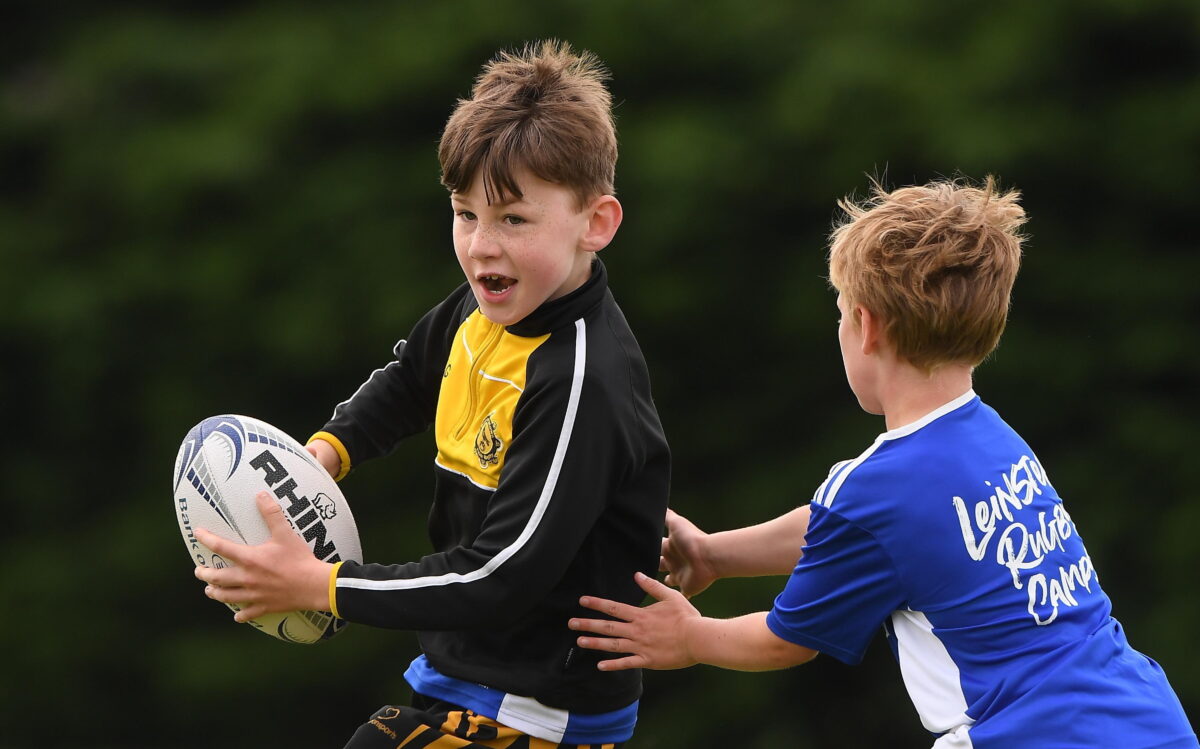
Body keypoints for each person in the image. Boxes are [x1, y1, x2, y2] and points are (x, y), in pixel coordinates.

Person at [569, 176, 1198, 748]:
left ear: (865, 327)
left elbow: (788, 641)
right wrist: (714, 555)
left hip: (1035, 735)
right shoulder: (995, 441)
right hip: (1147, 719)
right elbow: (851, 532)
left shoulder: (876, 486)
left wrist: (689, 637)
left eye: (841, 316)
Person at [194, 39, 670, 749]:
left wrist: (323, 585)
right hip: (469, 674)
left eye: (513, 219)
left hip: (544, 710)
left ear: (595, 224)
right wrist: (326, 452)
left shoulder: (578, 380)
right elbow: (409, 381)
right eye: (464, 212)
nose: (482, 245)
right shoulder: (477, 314)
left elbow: (498, 574)